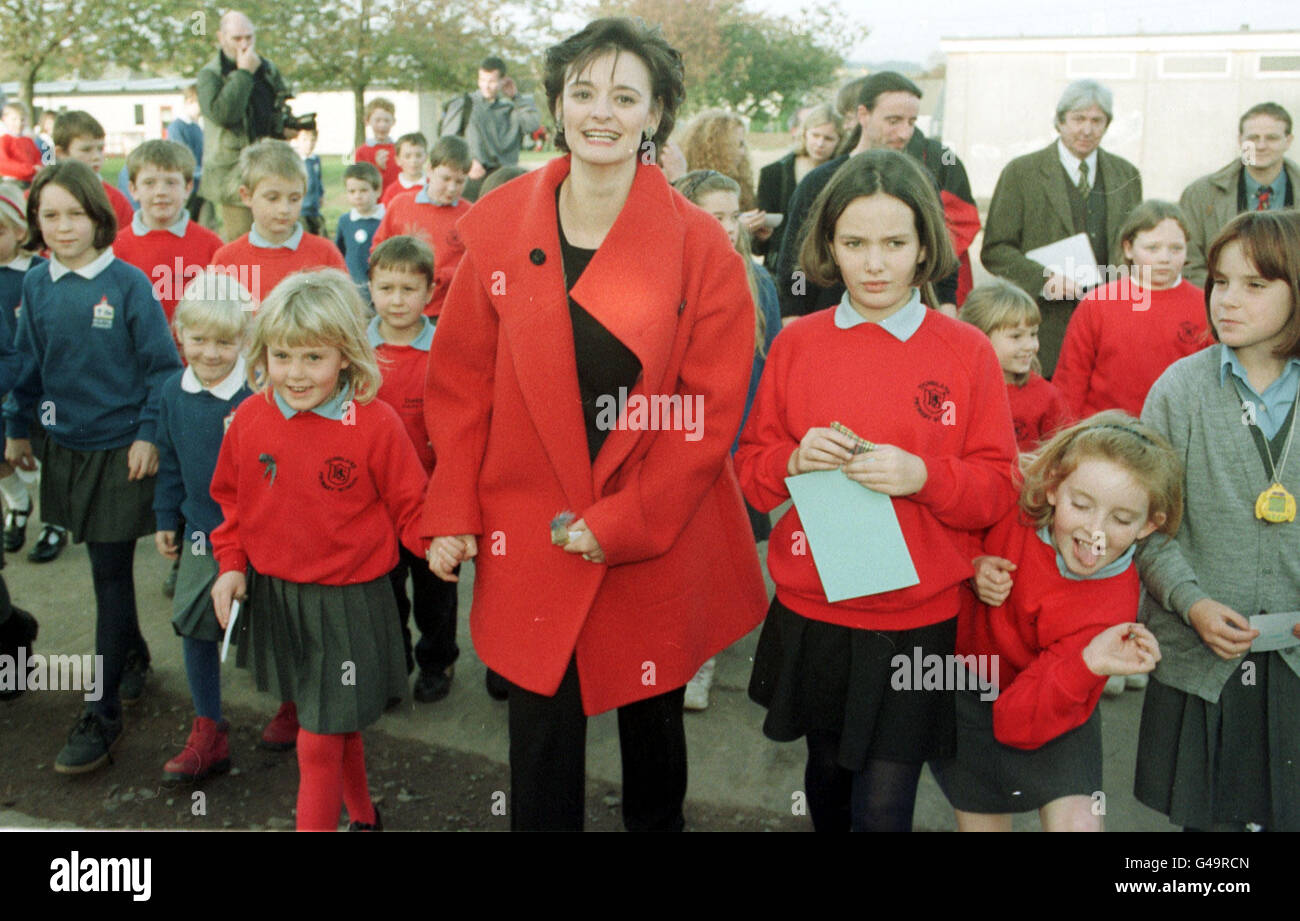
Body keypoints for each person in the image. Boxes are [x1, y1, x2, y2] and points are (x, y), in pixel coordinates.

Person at [422, 17, 767, 831]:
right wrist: (452, 511)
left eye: (624, 96)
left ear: (656, 114)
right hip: (530, 533)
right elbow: (460, 385)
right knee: (540, 747)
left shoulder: (700, 248)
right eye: (583, 92)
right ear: (557, 106)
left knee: (654, 745)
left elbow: (703, 416)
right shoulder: (501, 225)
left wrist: (622, 521)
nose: (601, 112)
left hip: (652, 530)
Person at [736, 149, 1019, 832]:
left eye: (895, 243)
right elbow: (750, 468)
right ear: (828, 244)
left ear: (926, 244)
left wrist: (924, 475)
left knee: (886, 802)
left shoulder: (965, 350)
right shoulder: (798, 343)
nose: (874, 262)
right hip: (816, 609)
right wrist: (793, 459)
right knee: (827, 779)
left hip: (914, 619)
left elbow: (998, 487)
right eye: (855, 242)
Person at [210, 270, 429, 831]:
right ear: (262, 354)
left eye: (313, 357)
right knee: (333, 723)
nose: (295, 373)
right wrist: (231, 567)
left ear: (347, 357)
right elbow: (231, 502)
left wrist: (444, 542)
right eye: (282, 355)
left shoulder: (376, 423)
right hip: (278, 596)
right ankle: (365, 818)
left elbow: (412, 507)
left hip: (349, 604)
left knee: (317, 739)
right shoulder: (250, 418)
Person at [4, 161, 182, 773]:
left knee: (107, 573)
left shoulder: (129, 284)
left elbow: (163, 369)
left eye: (74, 214)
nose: (61, 227)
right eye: (48, 216)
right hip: (63, 448)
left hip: (120, 451)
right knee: (103, 563)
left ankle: (102, 712)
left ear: (99, 218)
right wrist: (17, 428)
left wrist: (149, 434)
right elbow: (29, 363)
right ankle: (131, 656)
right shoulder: (36, 284)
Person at [1134, 210, 1300, 832]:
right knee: (1210, 847)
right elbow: (1149, 529)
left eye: (1255, 285)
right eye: (1220, 281)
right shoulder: (1178, 390)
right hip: (1205, 659)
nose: (1227, 300)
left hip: (1295, 664)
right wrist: (1193, 602)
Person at [934, 412, 1180, 831]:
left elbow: (1015, 720)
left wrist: (1090, 662)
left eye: (1121, 519)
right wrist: (969, 564)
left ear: (1149, 525)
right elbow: (942, 523)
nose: (1095, 532)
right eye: (1081, 505)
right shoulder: (1008, 502)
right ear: (1050, 487)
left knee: (1079, 825)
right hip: (967, 686)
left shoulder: (1114, 605)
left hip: (1052, 699)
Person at [672, 169, 781, 712]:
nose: (728, 227)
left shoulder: (759, 283)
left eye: (733, 214)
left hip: (736, 445)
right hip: (681, 441)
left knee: (719, 554)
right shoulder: (667, 275)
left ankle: (703, 656)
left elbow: (772, 368)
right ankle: (684, 652)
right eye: (713, 216)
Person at [153, 270, 254, 782]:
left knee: (275, 623)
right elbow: (169, 458)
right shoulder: (173, 390)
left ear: (244, 340)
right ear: (180, 337)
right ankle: (209, 727)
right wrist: (164, 516)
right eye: (199, 340)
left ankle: (297, 709)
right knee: (195, 625)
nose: (211, 352)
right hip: (201, 531)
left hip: (260, 534)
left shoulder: (258, 395)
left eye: (224, 341)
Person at [775, 72, 976, 322]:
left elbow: (942, 259)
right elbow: (795, 268)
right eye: (893, 121)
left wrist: (946, 312)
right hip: (831, 331)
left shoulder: (921, 181)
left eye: (911, 122)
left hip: (906, 331)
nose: (904, 133)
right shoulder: (819, 182)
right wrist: (793, 318)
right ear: (863, 115)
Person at [981, 79, 1143, 376]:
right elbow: (995, 250)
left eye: (1097, 120)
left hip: (1108, 326)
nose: (1087, 129)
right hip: (1043, 326)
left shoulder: (1127, 175)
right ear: (1059, 122)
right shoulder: (1021, 173)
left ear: (1107, 125)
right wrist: (1044, 279)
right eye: (1078, 119)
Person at [367, 237, 460, 702]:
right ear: (371, 289)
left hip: (430, 497)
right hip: (373, 500)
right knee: (384, 592)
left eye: (409, 288)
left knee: (434, 590)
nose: (397, 299)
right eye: (386, 288)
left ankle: (437, 660)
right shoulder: (356, 350)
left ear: (430, 292)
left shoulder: (445, 347)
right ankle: (391, 662)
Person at [1053, 201, 1210, 421]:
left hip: (1177, 436)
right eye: (1152, 248)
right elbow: (1070, 384)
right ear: (1128, 248)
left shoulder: (1206, 306)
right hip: (1105, 437)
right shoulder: (1097, 304)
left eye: (1176, 248)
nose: (1165, 258)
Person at [210, 139, 347, 306]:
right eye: (273, 198)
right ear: (246, 195)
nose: (284, 209)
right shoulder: (226, 259)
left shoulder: (325, 254)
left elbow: (345, 317)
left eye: (294, 199)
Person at [196, 10, 292, 242]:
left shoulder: (266, 68)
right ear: (221, 38)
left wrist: (286, 127)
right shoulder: (210, 75)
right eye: (237, 38)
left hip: (269, 165)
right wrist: (243, 74)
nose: (245, 44)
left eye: (249, 37)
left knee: (277, 236)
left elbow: (276, 107)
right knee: (242, 240)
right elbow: (224, 115)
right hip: (232, 173)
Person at [1180, 103, 1298, 287]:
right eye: (1253, 138)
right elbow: (1188, 263)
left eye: (1272, 138)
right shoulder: (1200, 195)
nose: (1261, 146)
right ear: (1240, 140)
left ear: (1288, 140)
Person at [112, 139, 224, 327]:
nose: (161, 192)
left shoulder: (212, 246)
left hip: (195, 353)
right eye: (149, 183)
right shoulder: (117, 248)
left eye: (171, 183)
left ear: (188, 188)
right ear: (133, 189)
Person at [961, 279, 1072, 453]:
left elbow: (1064, 456)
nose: (1030, 345)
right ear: (979, 335)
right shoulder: (958, 390)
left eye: (1033, 334)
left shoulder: (1045, 397)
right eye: (1016, 336)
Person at [371, 135, 471, 318]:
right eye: (446, 178)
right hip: (402, 308)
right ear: (430, 170)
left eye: (460, 181)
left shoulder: (469, 215)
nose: (451, 188)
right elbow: (378, 250)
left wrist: (445, 274)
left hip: (446, 311)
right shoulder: (400, 204)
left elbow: (475, 265)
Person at [0, 182, 42, 555]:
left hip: (42, 383)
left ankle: (58, 520)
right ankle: (16, 501)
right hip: (3, 384)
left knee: (52, 452)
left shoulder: (38, 272)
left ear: (18, 231)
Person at [442, 56, 541, 201]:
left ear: (503, 81)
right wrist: (467, 162)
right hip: (475, 177)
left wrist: (516, 97)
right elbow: (447, 141)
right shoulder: (465, 104)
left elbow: (532, 125)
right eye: (482, 80)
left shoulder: (512, 108)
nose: (486, 86)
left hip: (505, 179)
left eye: (492, 81)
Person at [755, 104, 840, 268]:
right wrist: (760, 236)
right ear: (805, 134)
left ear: (839, 141)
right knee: (797, 290)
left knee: (800, 291)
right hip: (786, 268)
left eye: (828, 138)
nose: (820, 143)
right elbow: (760, 242)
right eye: (815, 135)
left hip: (825, 267)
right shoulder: (774, 173)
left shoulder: (842, 173)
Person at [679, 110, 770, 251]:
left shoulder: (739, 183)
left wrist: (755, 236)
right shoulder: (688, 187)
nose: (743, 152)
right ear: (718, 147)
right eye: (738, 145)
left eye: (743, 145)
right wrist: (739, 226)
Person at [51, 111, 134, 236]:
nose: (96, 157)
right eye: (86, 150)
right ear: (61, 153)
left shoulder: (115, 199)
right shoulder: (42, 196)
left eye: (100, 149)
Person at [335, 161, 385, 301]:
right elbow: (340, 252)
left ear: (377, 191)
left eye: (363, 190)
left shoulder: (386, 219)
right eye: (352, 191)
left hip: (381, 289)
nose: (357, 196)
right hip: (354, 289)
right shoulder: (345, 221)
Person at [166, 85, 209, 224]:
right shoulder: (177, 127)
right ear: (190, 101)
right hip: (187, 184)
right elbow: (181, 159)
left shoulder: (197, 127)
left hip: (201, 185)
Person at [354, 97, 400, 195]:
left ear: (393, 122)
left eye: (386, 120)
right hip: (373, 204)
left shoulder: (399, 150)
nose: (382, 125)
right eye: (377, 120)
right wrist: (378, 168)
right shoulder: (362, 152)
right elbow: (360, 182)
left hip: (396, 201)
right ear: (367, 121)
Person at [291, 127, 325, 236]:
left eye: (312, 140)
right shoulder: (295, 161)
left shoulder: (315, 159)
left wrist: (321, 194)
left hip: (314, 207)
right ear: (297, 140)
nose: (309, 144)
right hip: (301, 209)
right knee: (305, 236)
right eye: (305, 140)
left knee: (320, 235)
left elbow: (318, 179)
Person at [379, 133, 428, 206]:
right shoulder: (392, 191)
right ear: (398, 160)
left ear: (426, 157)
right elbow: (387, 216)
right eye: (407, 156)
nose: (413, 161)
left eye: (418, 155)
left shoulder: (432, 186)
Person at [0, 101, 42, 184]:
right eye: (14, 119)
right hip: (13, 180)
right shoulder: (4, 140)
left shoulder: (28, 141)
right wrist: (30, 169)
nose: (19, 123)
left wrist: (39, 167)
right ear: (4, 119)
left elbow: (37, 158)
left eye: (22, 119)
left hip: (31, 179)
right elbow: (3, 164)